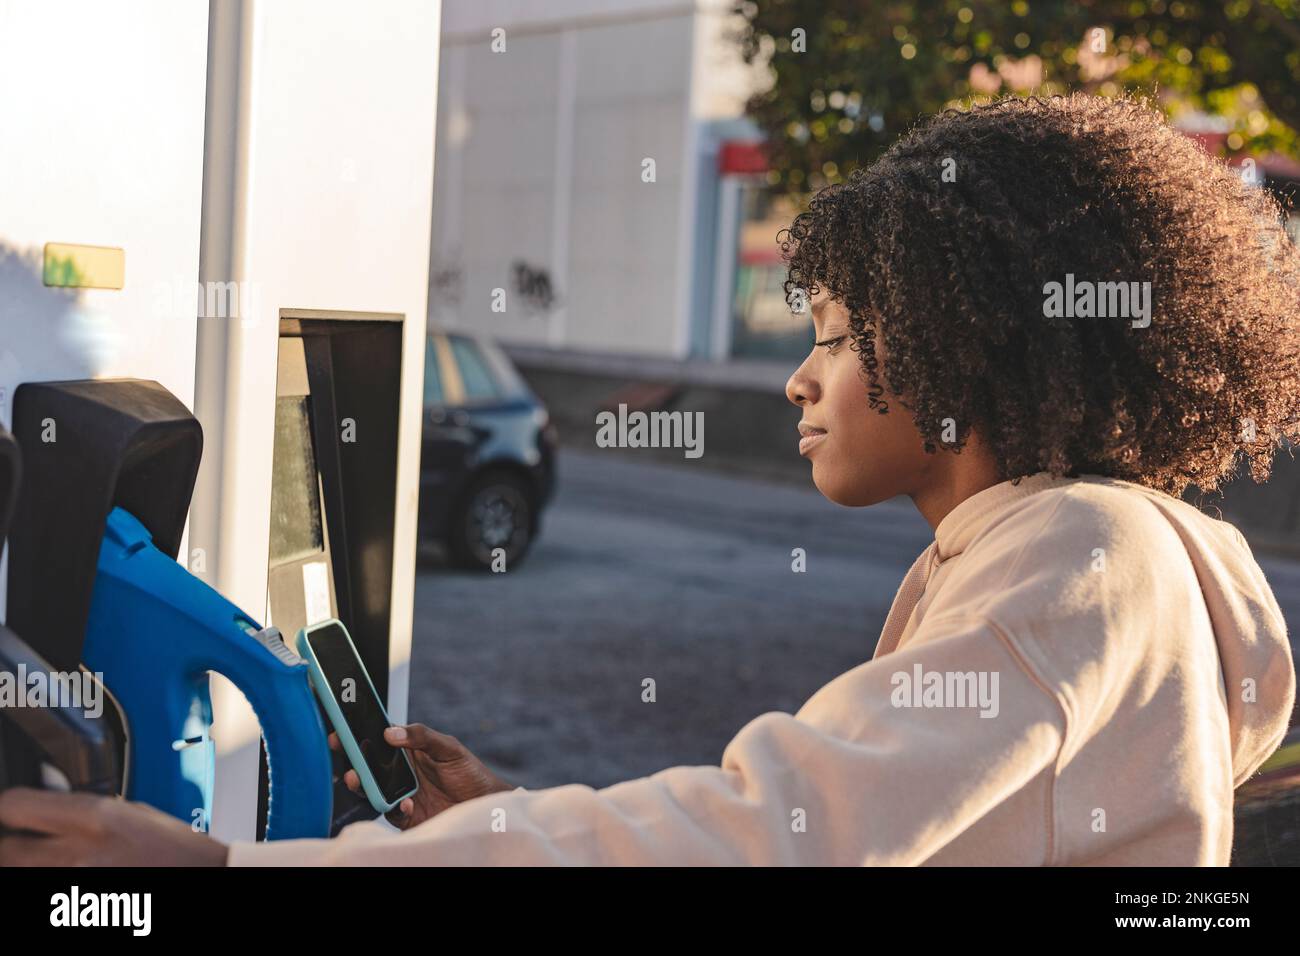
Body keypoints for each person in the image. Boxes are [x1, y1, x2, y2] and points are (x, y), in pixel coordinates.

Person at [2, 92, 1297, 866]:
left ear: (971, 346)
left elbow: (761, 837)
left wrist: (221, 868)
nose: (800, 379)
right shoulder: (1101, 554)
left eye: (837, 339)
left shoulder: (1078, 554)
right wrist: (518, 816)